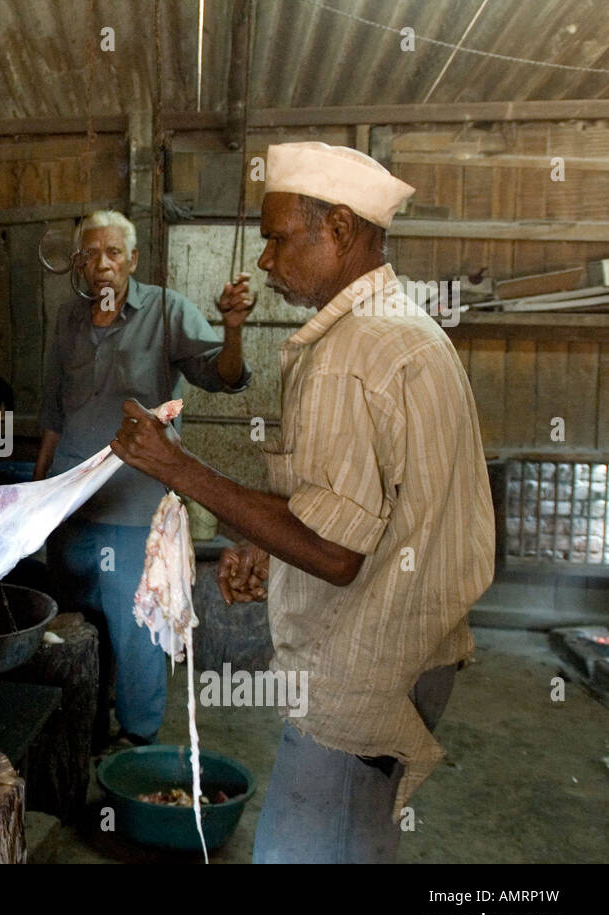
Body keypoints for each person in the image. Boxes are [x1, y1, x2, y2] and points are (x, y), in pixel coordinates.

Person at [111, 141, 494, 862]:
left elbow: (334, 555)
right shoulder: (410, 331)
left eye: (278, 239)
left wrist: (177, 466)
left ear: (341, 231)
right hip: (421, 652)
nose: (264, 261)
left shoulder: (354, 353)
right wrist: (265, 545)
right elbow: (360, 508)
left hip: (363, 673)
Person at [34, 209, 252, 749]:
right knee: (77, 626)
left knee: (135, 627)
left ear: (132, 259)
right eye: (89, 254)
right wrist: (36, 501)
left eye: (112, 253)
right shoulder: (67, 320)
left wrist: (232, 331)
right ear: (78, 265)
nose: (100, 264)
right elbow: (53, 417)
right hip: (69, 503)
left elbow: (222, 377)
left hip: (132, 507)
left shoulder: (166, 311)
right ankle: (84, 724)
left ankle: (137, 737)